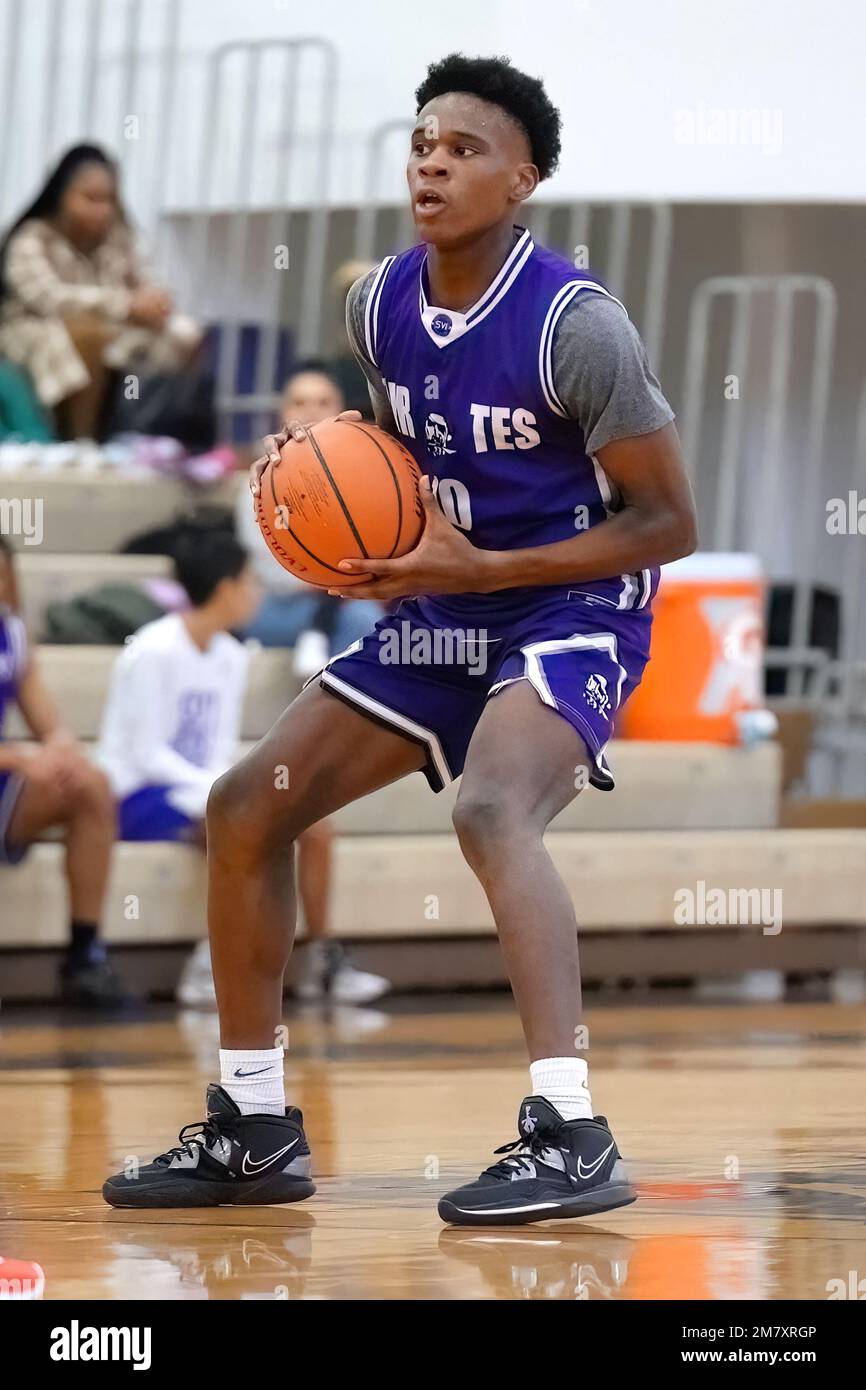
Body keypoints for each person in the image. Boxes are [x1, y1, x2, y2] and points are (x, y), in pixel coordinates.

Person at [103, 54, 697, 1222]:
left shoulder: (577, 327)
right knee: (245, 804)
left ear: (520, 180)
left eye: (464, 148)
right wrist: (328, 510)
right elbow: (398, 452)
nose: (432, 160)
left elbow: (668, 522)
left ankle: (569, 1128)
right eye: (422, 141)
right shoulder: (375, 304)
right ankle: (254, 1123)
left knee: (489, 807)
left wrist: (486, 567)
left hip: (567, 610)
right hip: (440, 605)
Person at [97, 533, 259, 1007]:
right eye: (250, 581)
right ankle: (212, 964)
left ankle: (322, 960)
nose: (257, 593)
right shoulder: (153, 649)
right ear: (226, 587)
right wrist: (220, 788)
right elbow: (147, 756)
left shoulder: (232, 655)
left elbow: (221, 745)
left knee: (295, 822)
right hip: (134, 794)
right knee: (233, 823)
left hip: (194, 789)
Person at [0, 144, 200, 441]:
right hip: (34, 328)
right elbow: (49, 298)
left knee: (183, 334)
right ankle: (81, 438)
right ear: (61, 195)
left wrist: (153, 302)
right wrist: (124, 305)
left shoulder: (117, 237)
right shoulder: (31, 238)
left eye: (109, 199)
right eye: (90, 198)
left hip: (110, 326)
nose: (102, 209)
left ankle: (151, 436)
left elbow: (142, 279)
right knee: (86, 335)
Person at [0, 537, 125, 1006]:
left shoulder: (12, 632)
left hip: (8, 779)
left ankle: (85, 955)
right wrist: (21, 759)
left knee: (91, 785)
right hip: (9, 767)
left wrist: (61, 749)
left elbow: (47, 722)